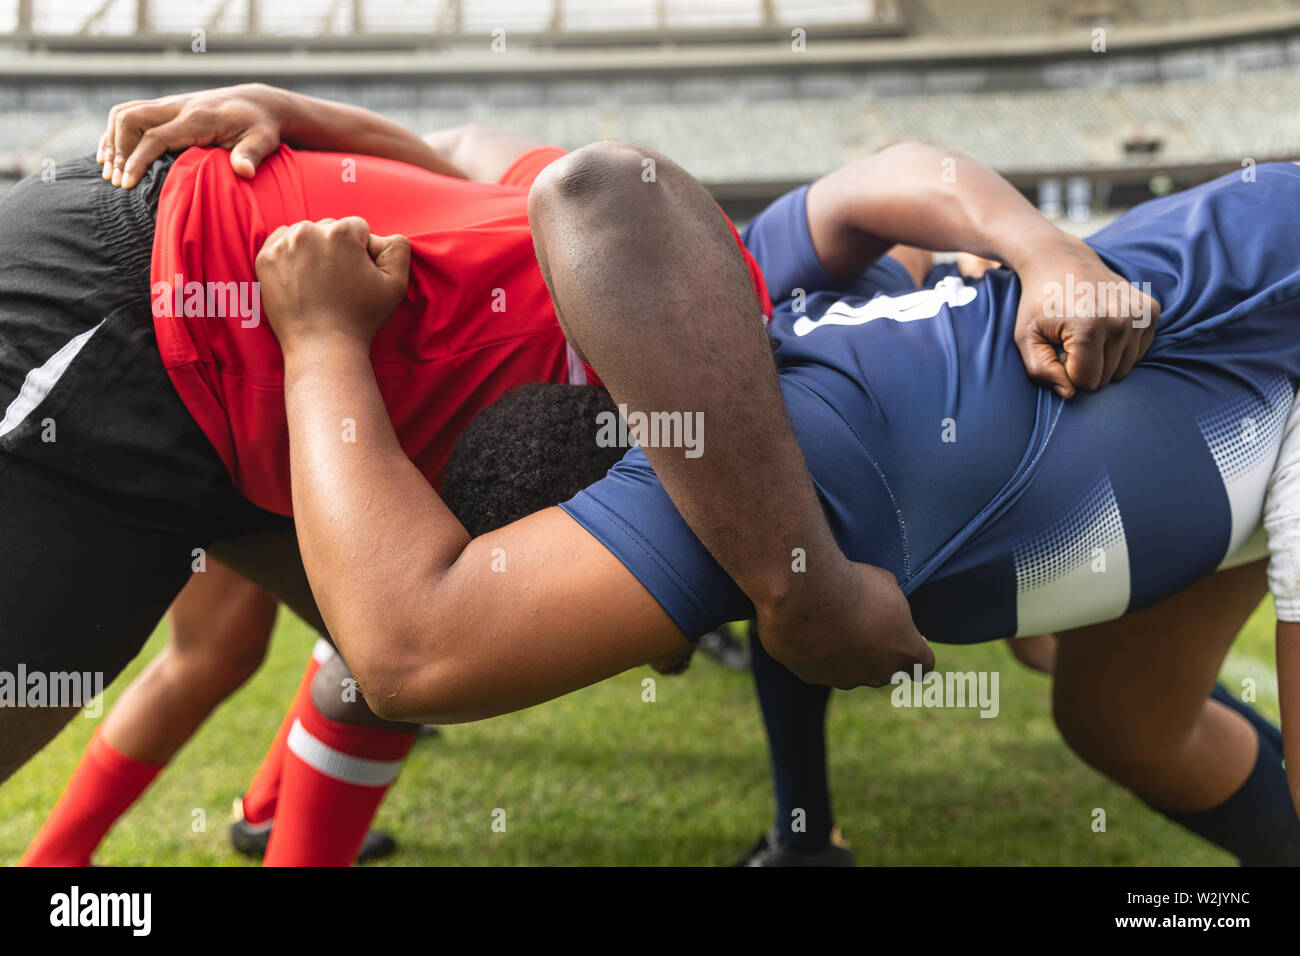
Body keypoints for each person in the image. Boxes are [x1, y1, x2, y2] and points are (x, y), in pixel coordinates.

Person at [246, 138, 1300, 866]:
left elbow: (405, 651)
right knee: (1122, 721)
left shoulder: (723, 480)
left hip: (1264, 323)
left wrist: (319, 339)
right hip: (1219, 367)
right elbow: (878, 177)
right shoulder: (722, 367)